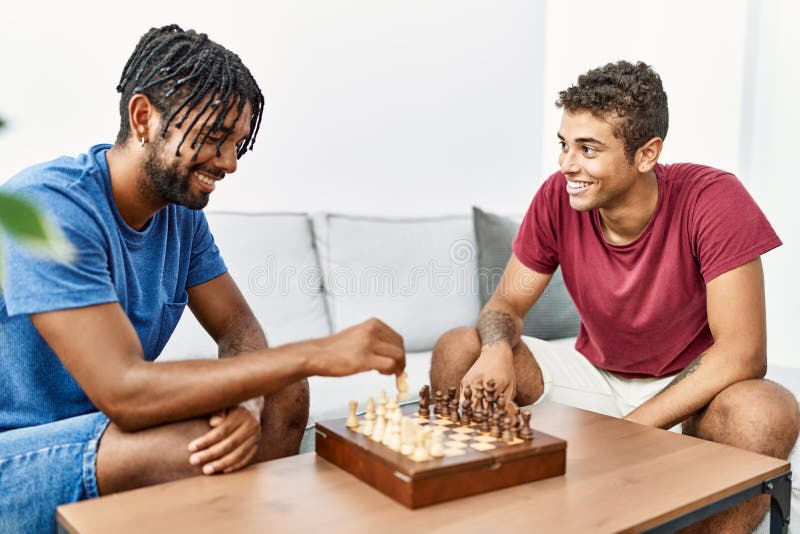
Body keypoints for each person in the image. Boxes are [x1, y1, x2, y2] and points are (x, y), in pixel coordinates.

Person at [0, 25, 405, 532]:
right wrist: (317, 352)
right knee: (194, 446)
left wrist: (249, 401)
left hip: (103, 430)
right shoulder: (52, 208)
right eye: (215, 138)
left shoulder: (180, 214)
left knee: (286, 392)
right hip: (16, 452)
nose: (231, 163)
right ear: (144, 117)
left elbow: (238, 329)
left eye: (239, 144)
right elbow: (123, 389)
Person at [430, 60, 799, 532]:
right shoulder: (556, 197)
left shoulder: (714, 198)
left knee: (765, 411)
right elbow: (504, 306)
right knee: (460, 348)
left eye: (588, 149)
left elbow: (743, 354)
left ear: (647, 154)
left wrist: (626, 434)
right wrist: (497, 347)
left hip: (687, 389)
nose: (567, 165)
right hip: (593, 376)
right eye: (564, 145)